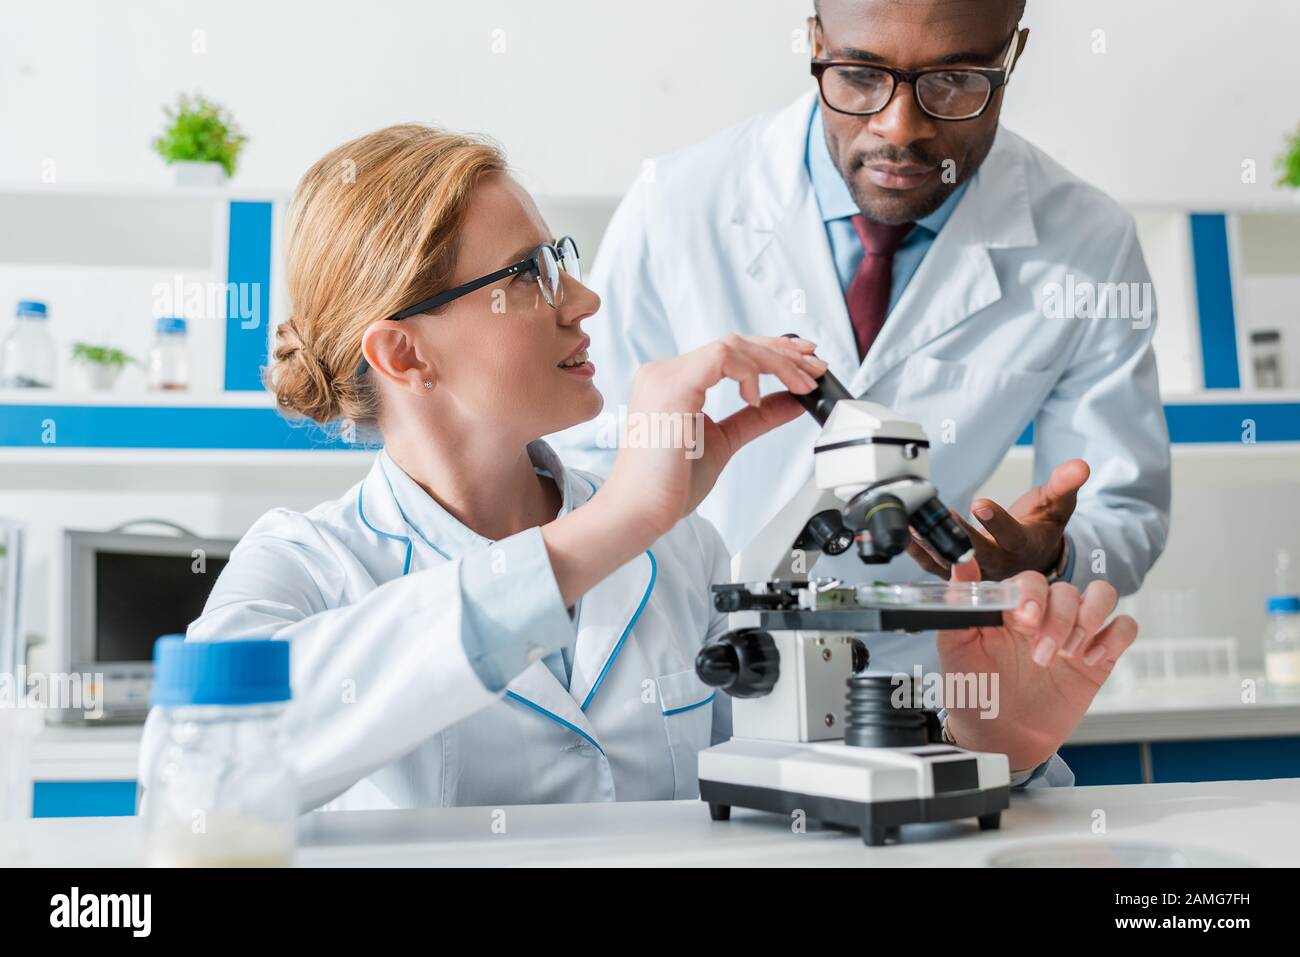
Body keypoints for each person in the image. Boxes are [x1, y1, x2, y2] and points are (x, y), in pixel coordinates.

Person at [137, 125, 1136, 811]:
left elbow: (800, 790)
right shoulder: (304, 567)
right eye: (528, 276)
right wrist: (612, 525)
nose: (585, 301)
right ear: (404, 354)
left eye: (558, 257)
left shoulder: (683, 551)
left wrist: (995, 738)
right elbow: (192, 784)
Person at [550, 0, 1171, 683]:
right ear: (815, 40)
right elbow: (584, 468)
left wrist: (1047, 561)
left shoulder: (1087, 243)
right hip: (699, 668)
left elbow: (1122, 506)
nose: (899, 128)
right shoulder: (676, 204)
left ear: (1012, 55)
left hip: (932, 683)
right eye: (859, 75)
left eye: (956, 80)